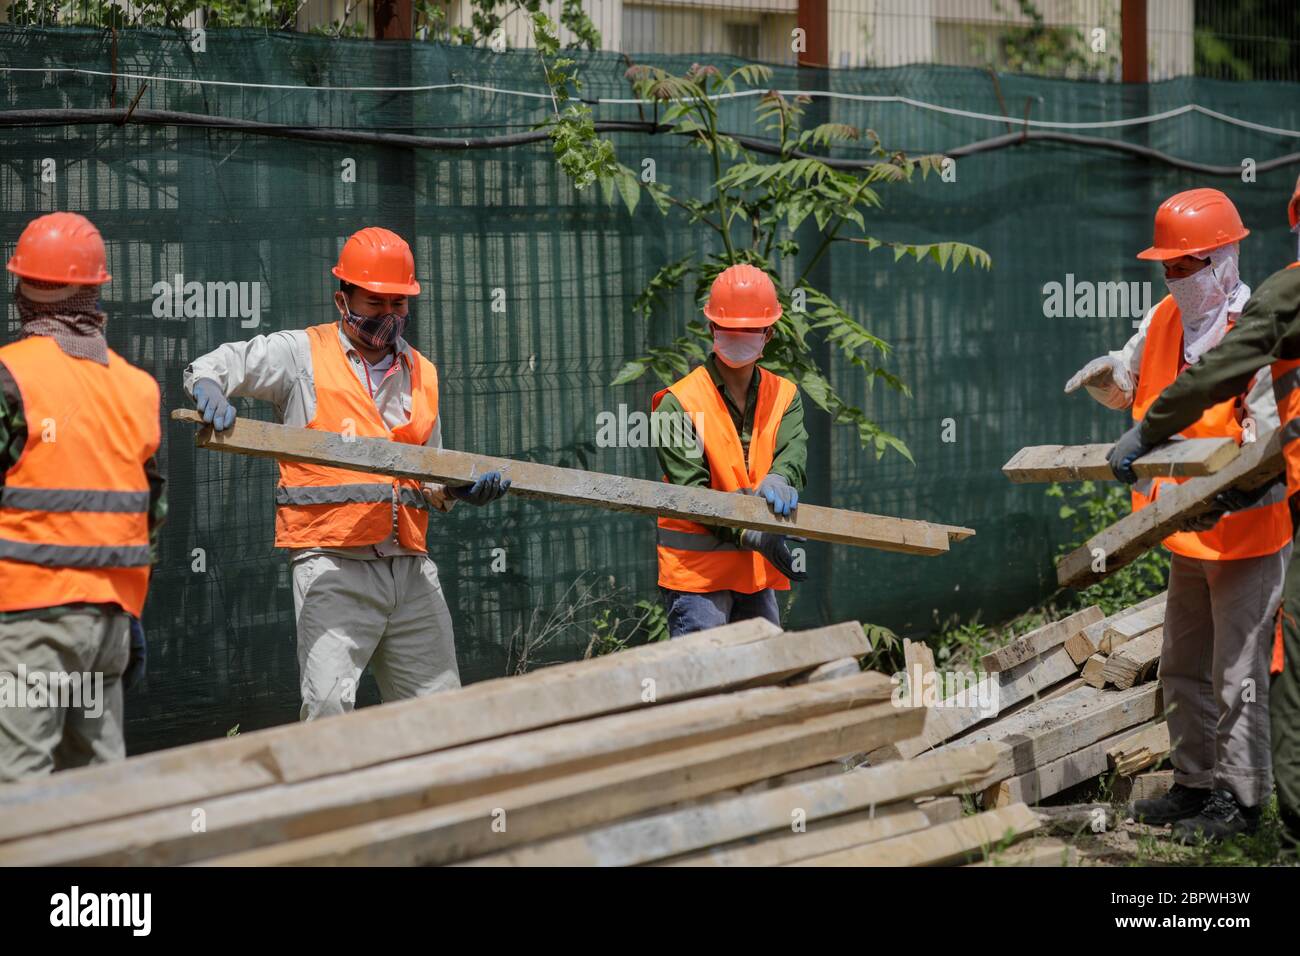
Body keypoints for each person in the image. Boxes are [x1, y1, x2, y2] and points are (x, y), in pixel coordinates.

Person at [186, 226, 508, 720]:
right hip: (332, 566)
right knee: (329, 710)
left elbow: (429, 472)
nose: (389, 316)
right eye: (376, 302)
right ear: (343, 299)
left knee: (441, 716)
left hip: (410, 568)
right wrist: (208, 383)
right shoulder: (301, 356)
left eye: (399, 304)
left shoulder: (422, 371)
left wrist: (457, 490)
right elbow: (226, 361)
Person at [1066, 188, 1292, 842]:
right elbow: (1135, 386)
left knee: (1237, 674)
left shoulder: (1260, 329)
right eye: (1168, 265)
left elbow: (1271, 446)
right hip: (1181, 534)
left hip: (1245, 534)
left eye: (1186, 264)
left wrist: (1225, 492)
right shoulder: (1165, 318)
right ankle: (1194, 785)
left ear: (1223, 260)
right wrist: (1108, 378)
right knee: (1183, 665)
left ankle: (1242, 801)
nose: (1174, 277)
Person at [0, 212, 164, 781]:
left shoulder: (8, 376)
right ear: (95, 291)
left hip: (27, 623)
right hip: (109, 624)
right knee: (95, 781)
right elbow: (149, 510)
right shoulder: (136, 387)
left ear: (21, 291)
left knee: (20, 785)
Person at [653, 263, 808, 638]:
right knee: (705, 683)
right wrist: (753, 533)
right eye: (730, 328)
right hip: (697, 578)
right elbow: (693, 494)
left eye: (750, 329)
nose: (739, 336)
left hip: (754, 573)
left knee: (765, 681)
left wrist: (781, 475)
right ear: (712, 330)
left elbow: (793, 449)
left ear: (768, 334)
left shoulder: (785, 396)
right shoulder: (677, 404)